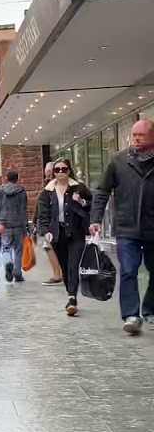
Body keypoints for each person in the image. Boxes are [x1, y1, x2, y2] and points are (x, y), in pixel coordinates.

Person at [91, 119, 154, 334]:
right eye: (134, 135)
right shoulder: (119, 161)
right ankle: (131, 315)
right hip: (126, 228)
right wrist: (96, 219)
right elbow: (102, 191)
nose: (136, 138)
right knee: (128, 271)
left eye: (141, 135)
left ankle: (150, 309)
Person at [35, 159, 90, 317]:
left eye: (63, 169)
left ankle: (72, 299)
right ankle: (70, 293)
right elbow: (42, 214)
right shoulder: (47, 191)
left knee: (73, 265)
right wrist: (45, 231)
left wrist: (81, 201)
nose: (60, 172)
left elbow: (92, 204)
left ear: (69, 171)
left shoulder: (78, 188)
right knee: (65, 266)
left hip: (76, 231)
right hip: (57, 233)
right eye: (57, 170)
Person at [0, 170, 29, 284]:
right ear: (17, 179)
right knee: (18, 249)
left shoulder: (0, 191)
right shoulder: (21, 191)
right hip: (18, 223)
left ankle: (8, 262)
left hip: (5, 223)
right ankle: (17, 273)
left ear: (6, 178)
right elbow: (23, 208)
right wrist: (26, 225)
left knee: (6, 247)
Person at [39, 161, 65, 286]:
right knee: (48, 246)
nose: (48, 175)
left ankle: (58, 274)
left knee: (52, 247)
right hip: (50, 223)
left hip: (58, 223)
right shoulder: (48, 187)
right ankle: (58, 273)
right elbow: (41, 207)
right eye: (47, 173)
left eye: (49, 173)